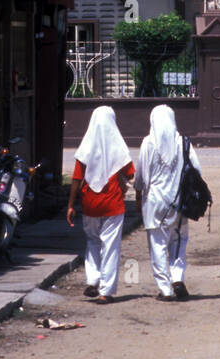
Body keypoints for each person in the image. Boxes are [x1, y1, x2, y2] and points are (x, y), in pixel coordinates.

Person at [67, 105, 134, 303]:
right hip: (113, 203)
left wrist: (70, 205)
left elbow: (76, 179)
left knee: (92, 241)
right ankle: (106, 291)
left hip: (90, 203)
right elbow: (131, 174)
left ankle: (93, 279)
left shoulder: (86, 146)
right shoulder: (118, 147)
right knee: (110, 246)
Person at [135, 103, 201, 302]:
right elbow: (197, 170)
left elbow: (139, 177)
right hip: (179, 201)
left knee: (158, 245)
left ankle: (165, 288)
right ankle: (177, 278)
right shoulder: (184, 143)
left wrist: (138, 198)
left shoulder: (148, 143)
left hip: (154, 203)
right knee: (179, 241)